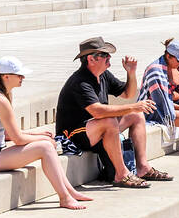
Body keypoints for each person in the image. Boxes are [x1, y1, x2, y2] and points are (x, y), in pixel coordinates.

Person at [0, 56, 93, 210]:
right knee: (45, 147)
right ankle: (65, 197)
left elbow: (10, 133)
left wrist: (38, 135)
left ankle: (70, 192)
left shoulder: (1, 93)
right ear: (6, 77)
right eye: (19, 75)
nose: (23, 77)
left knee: (46, 144)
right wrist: (41, 137)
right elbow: (18, 139)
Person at [55, 37, 167, 189]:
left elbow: (128, 94)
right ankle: (121, 174)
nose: (109, 57)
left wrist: (131, 73)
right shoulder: (80, 81)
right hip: (74, 135)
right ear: (91, 59)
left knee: (136, 116)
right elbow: (98, 111)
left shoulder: (103, 75)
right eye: (104, 55)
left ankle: (142, 167)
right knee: (110, 120)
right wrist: (133, 106)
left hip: (95, 129)